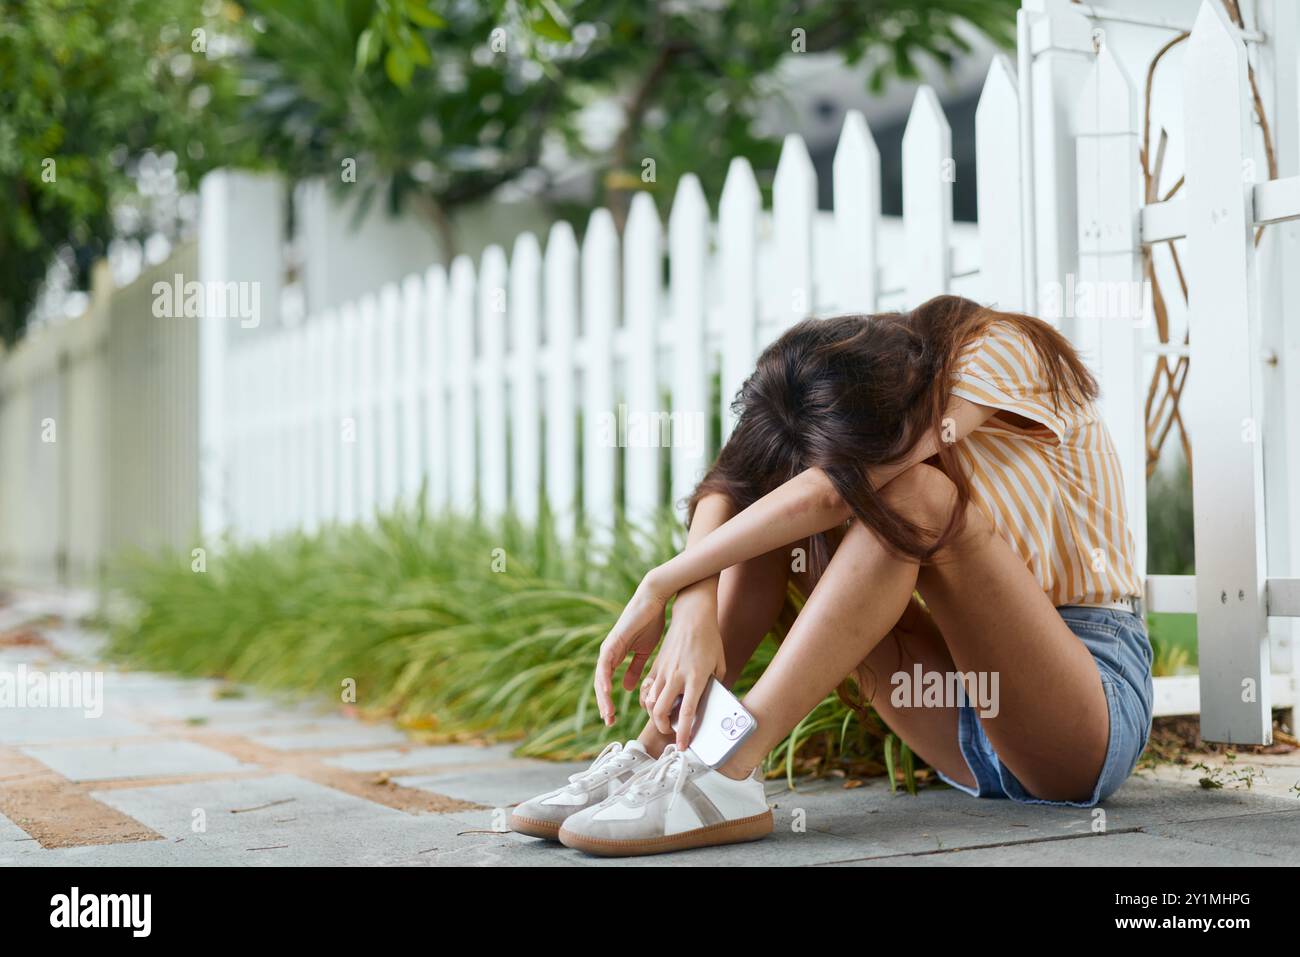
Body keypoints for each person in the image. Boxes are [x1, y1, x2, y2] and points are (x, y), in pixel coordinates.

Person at [510, 294, 1154, 857]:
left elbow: (832, 494)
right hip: (962, 721)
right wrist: (692, 604)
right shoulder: (860, 381)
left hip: (1081, 711)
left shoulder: (997, 349)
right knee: (770, 512)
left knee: (916, 500)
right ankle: (661, 753)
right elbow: (734, 485)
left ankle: (730, 767)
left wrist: (661, 581)